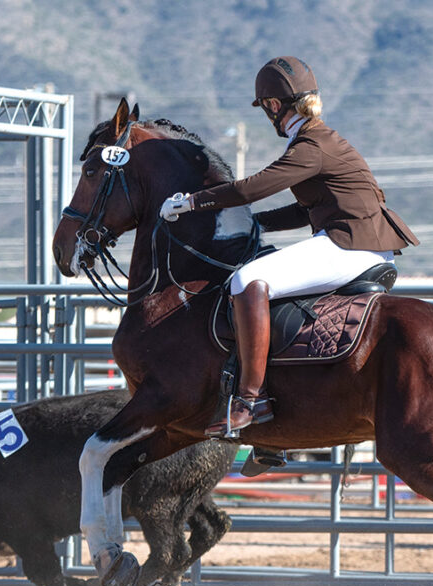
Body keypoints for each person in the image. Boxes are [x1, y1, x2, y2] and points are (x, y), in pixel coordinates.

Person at [159, 56, 419, 438]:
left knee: (247, 280)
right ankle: (279, 427)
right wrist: (255, 223)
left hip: (350, 245)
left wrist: (192, 202)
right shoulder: (320, 139)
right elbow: (305, 209)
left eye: (266, 109)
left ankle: (250, 399)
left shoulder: (311, 144)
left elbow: (254, 187)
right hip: (359, 243)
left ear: (274, 106)